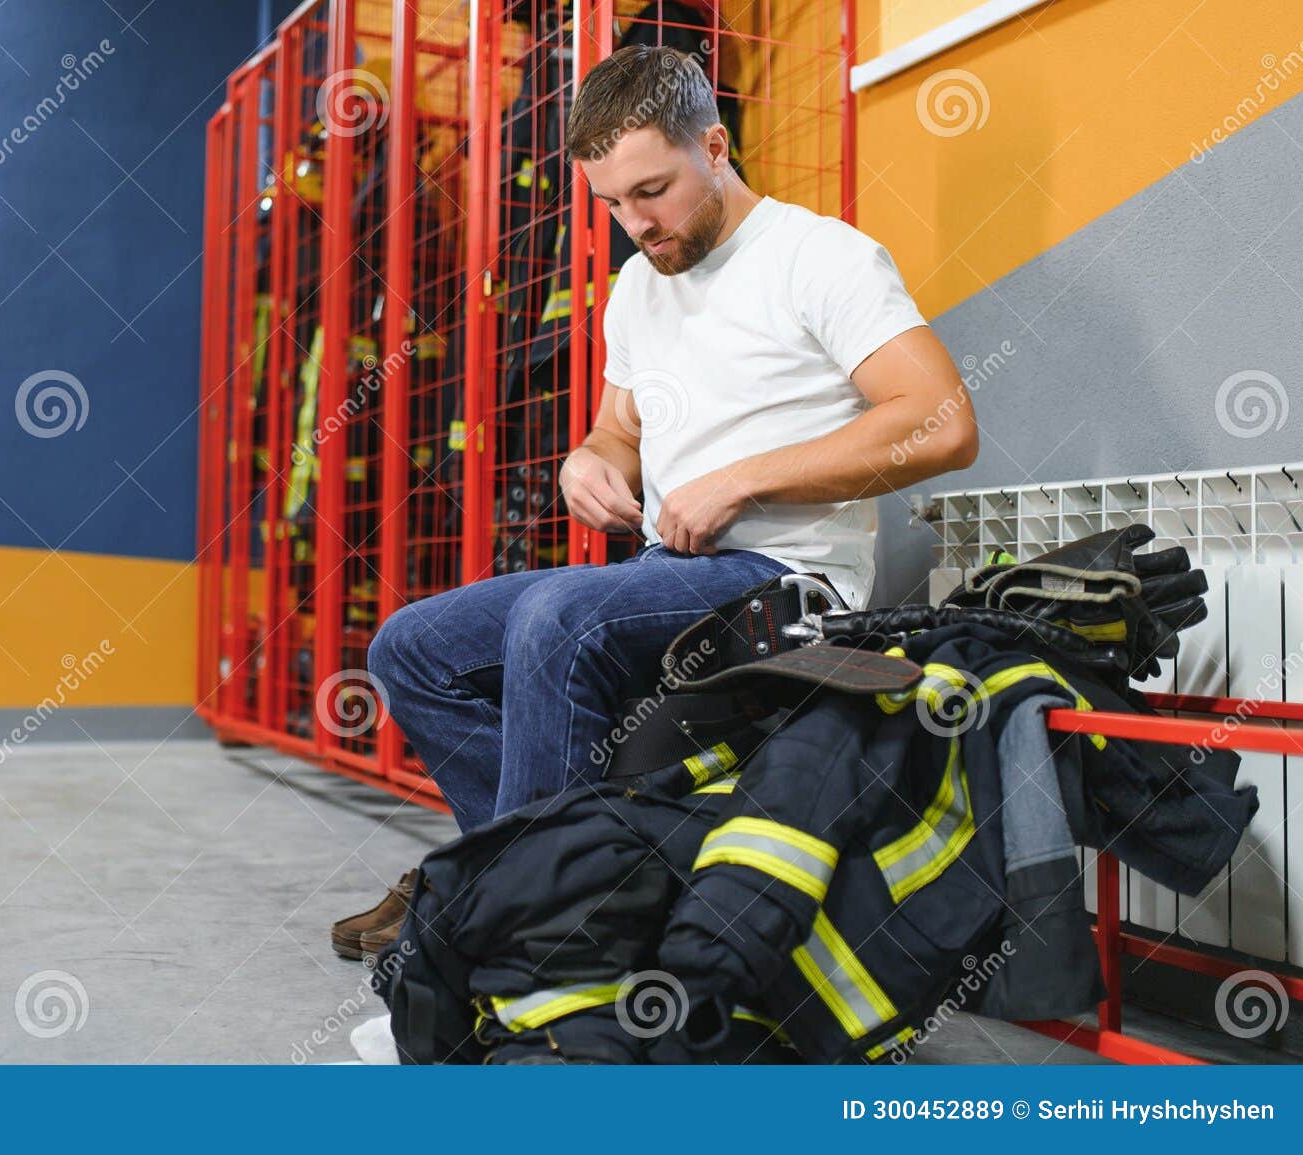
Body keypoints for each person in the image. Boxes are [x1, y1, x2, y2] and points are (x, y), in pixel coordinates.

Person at [329, 44, 977, 960]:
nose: (636, 223)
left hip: (791, 583)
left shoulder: (819, 256)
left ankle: (523, 919)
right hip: (671, 569)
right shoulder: (638, 287)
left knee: (559, 615)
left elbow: (944, 422)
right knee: (410, 648)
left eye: (653, 191)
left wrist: (746, 476)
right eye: (612, 204)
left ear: (715, 146)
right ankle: (543, 876)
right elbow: (616, 435)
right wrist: (586, 464)